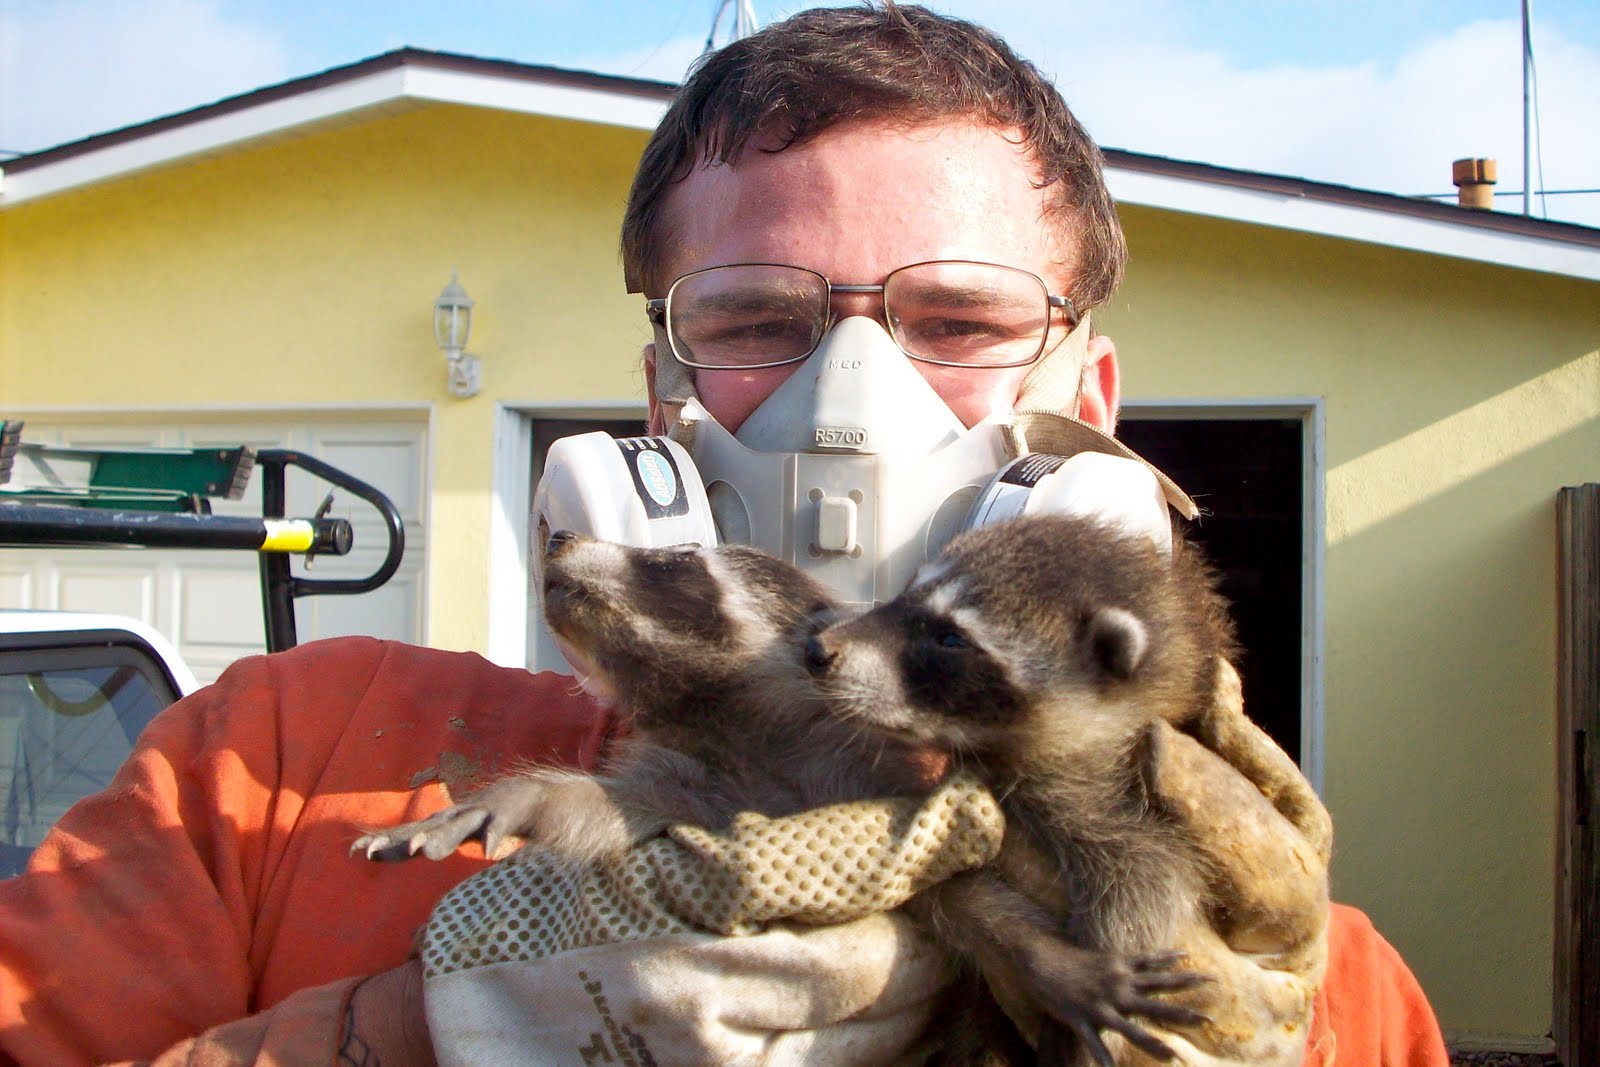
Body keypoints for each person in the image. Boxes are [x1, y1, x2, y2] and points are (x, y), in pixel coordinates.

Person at [0, 6, 1449, 1065]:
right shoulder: (274, 770)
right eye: (757, 320)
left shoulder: (1299, 973)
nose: (854, 403)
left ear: (1091, 406)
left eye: (962, 323)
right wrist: (401, 1038)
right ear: (657, 396)